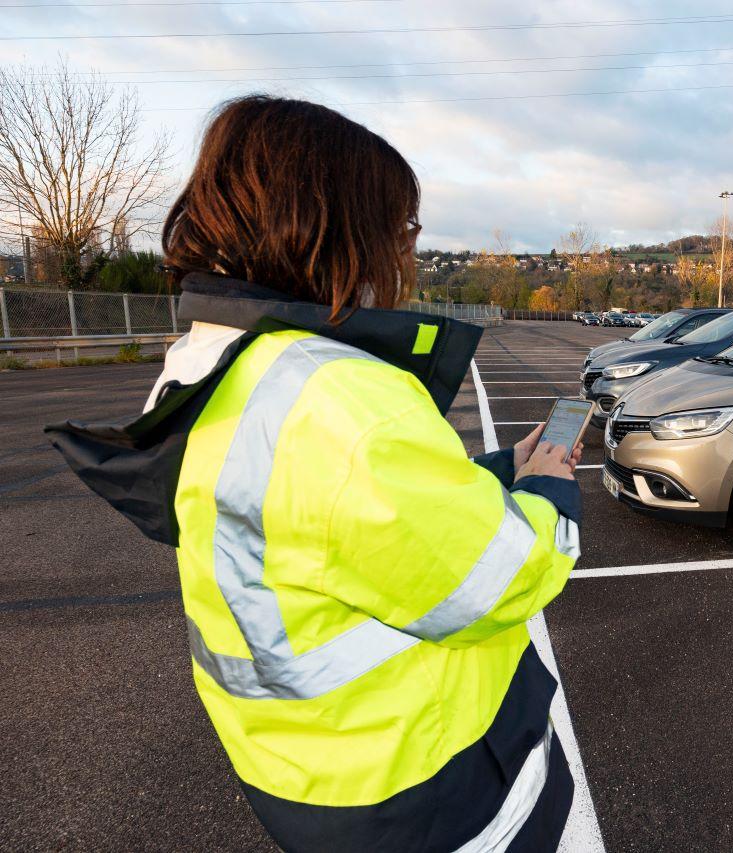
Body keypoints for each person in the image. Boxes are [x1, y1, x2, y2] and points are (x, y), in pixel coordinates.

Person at [47, 96, 582, 852]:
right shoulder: (340, 396)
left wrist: (498, 472)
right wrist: (550, 485)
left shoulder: (215, 363)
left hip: (307, 776)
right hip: (435, 794)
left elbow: (336, 523)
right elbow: (503, 574)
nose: (406, 250)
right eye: (400, 227)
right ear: (337, 226)